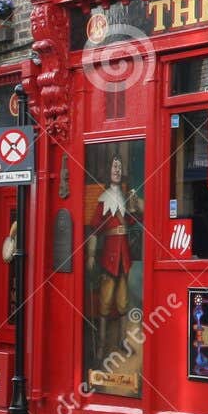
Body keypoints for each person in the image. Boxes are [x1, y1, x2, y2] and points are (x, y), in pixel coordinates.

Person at [87, 153, 142, 361]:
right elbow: (94, 229)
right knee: (105, 300)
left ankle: (121, 341)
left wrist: (135, 207)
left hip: (124, 255)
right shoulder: (103, 200)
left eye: (119, 167)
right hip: (110, 256)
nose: (116, 170)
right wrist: (91, 254)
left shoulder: (126, 197)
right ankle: (101, 345)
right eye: (113, 166)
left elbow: (133, 220)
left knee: (123, 301)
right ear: (109, 171)